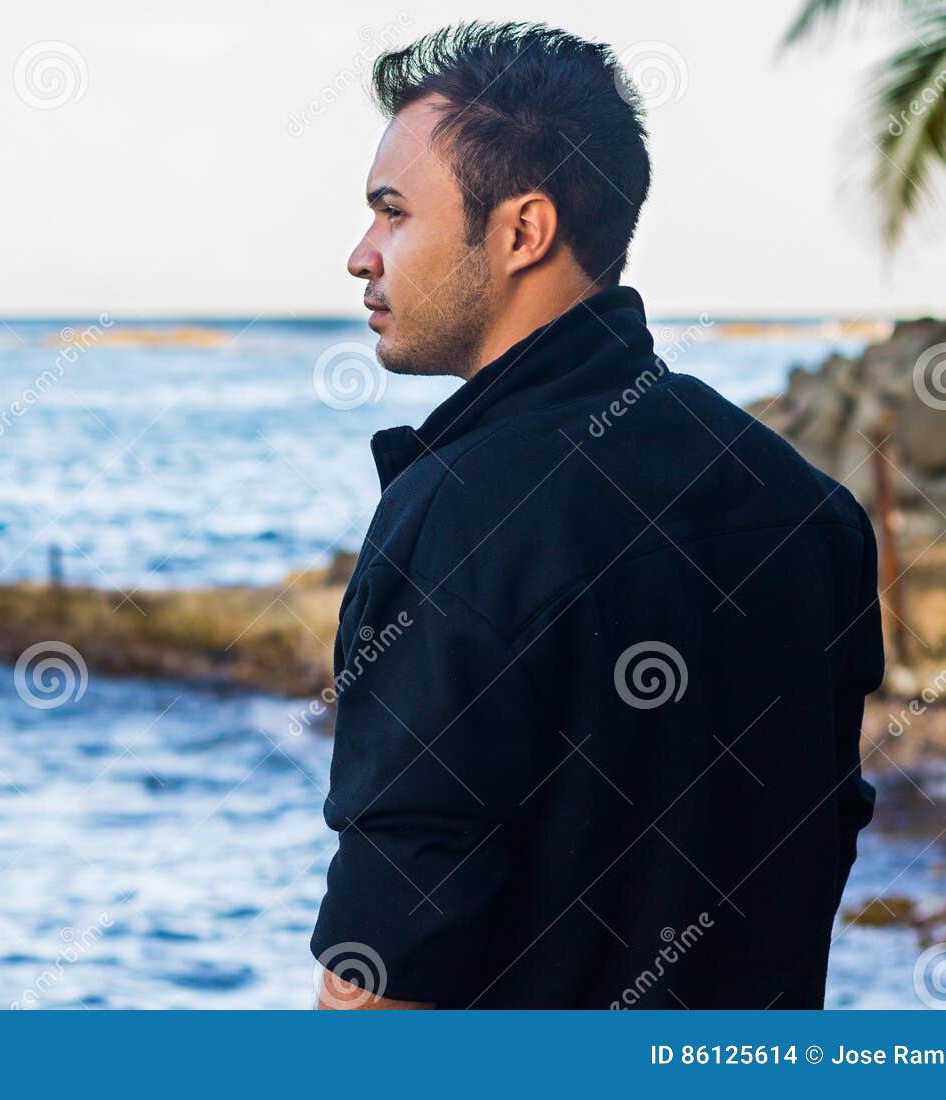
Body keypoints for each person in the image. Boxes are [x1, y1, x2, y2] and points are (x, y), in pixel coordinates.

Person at [311, 21, 883, 1009]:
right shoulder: (809, 509)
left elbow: (384, 964)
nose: (360, 254)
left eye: (394, 214)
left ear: (521, 232)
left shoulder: (455, 517)